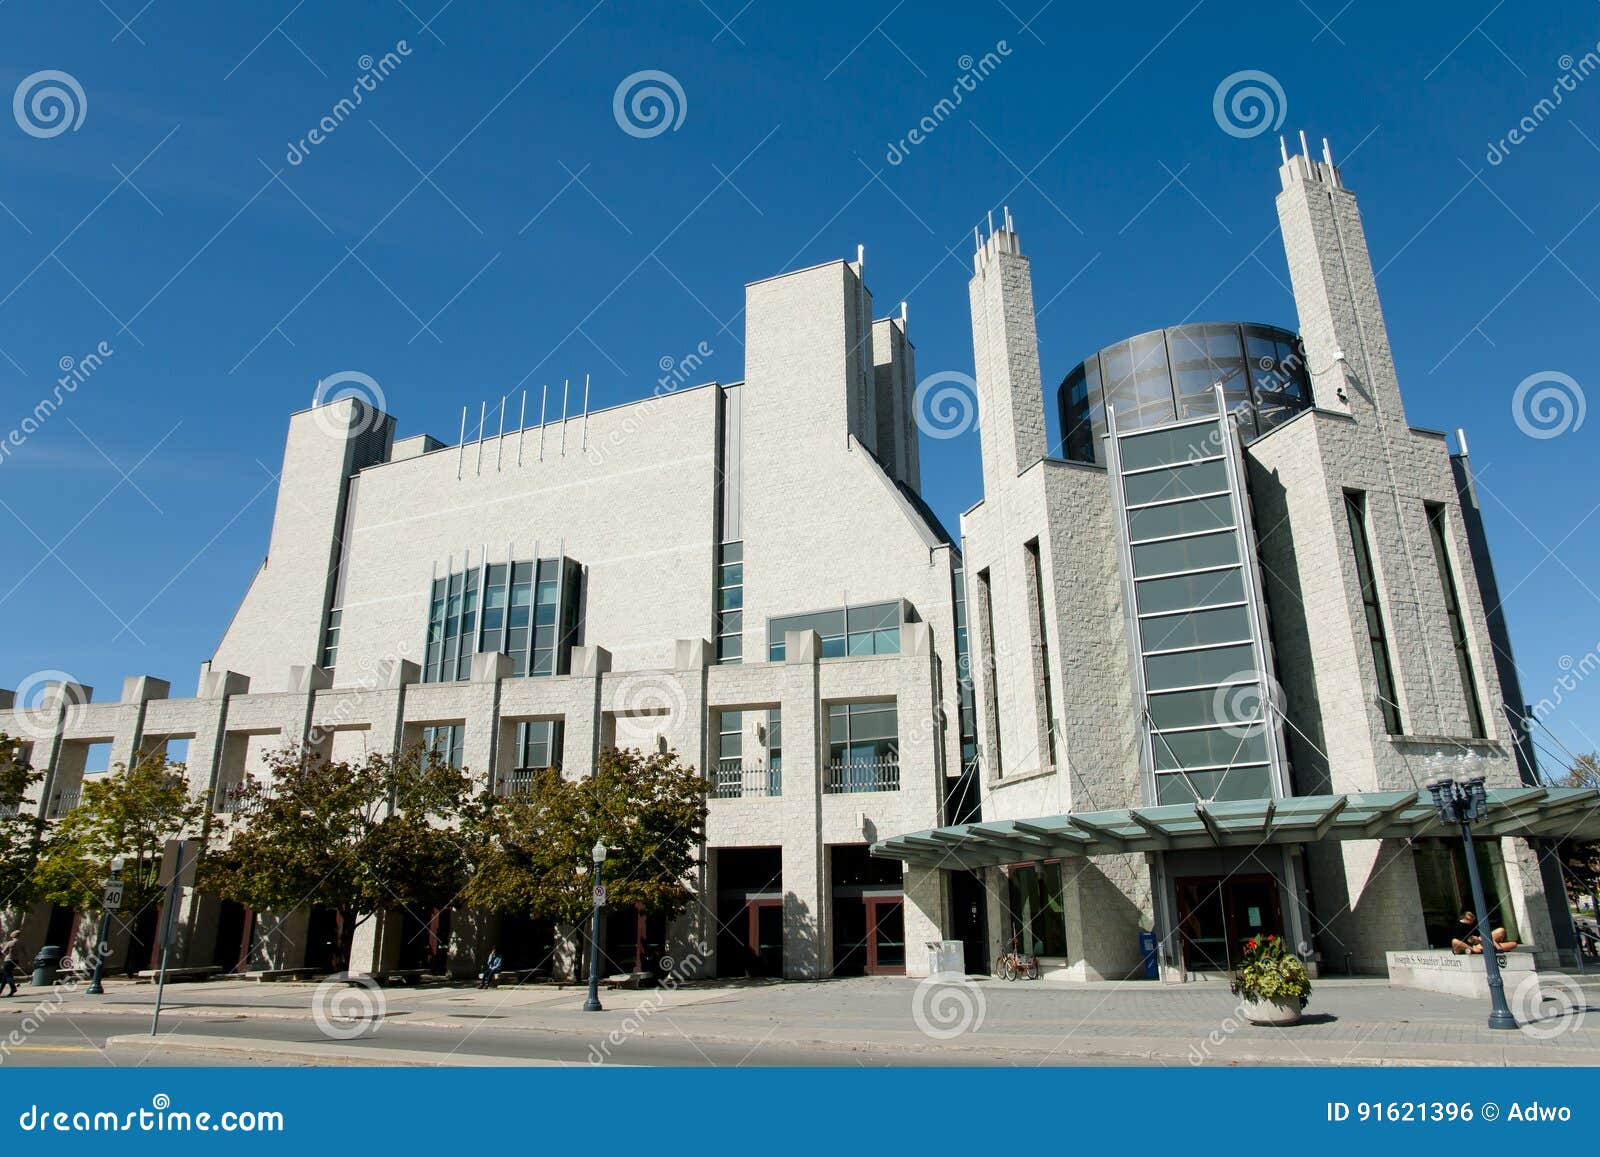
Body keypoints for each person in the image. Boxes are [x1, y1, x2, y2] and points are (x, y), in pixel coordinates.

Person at [1450, 909, 1519, 954]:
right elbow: (1457, 942)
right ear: (1465, 919)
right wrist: (1473, 945)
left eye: (1473, 921)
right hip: (1469, 946)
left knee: (1504, 934)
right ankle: (1490, 948)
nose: (1472, 923)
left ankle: (1495, 946)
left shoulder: (1473, 923)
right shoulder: (1457, 926)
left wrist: (1479, 940)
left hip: (1481, 943)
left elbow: (1483, 935)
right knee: (1455, 941)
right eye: (1470, 921)